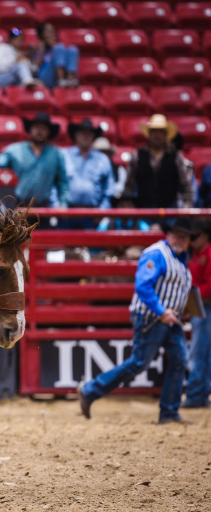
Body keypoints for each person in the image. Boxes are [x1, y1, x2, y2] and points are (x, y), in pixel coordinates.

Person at [79, 218, 195, 424]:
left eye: (184, 237)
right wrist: (161, 311)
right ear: (169, 235)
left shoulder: (180, 259)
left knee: (179, 360)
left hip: (170, 319)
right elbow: (143, 286)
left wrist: (180, 309)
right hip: (151, 317)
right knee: (139, 363)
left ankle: (169, 412)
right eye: (177, 234)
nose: (180, 239)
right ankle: (90, 390)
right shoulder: (157, 254)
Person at [0, 112, 69, 207]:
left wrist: (63, 205)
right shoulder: (14, 151)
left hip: (43, 208)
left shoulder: (56, 155)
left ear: (49, 132)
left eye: (43, 128)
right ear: (30, 129)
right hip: (18, 206)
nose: (39, 131)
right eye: (36, 127)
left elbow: (62, 183)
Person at [121, 114, 194, 209]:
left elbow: (186, 186)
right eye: (154, 131)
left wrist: (187, 206)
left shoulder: (176, 156)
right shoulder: (137, 155)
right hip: (144, 212)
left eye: (161, 132)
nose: (157, 135)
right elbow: (128, 186)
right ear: (149, 134)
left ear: (165, 135)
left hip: (169, 213)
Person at [183, 220, 211, 409]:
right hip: (201, 306)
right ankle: (200, 395)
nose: (192, 240)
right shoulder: (195, 254)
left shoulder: (207, 254)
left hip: (205, 307)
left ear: (206, 235)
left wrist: (189, 297)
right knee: (203, 352)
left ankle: (195, 395)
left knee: (198, 352)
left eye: (195, 236)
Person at [63, 119, 114, 209]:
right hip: (68, 211)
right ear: (76, 135)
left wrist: (102, 212)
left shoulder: (103, 159)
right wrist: (59, 207)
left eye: (89, 134)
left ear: (93, 136)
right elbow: (55, 184)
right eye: (82, 133)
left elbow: (109, 190)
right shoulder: (65, 156)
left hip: (93, 212)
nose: (86, 137)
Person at [32, 23, 79, 89]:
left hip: (56, 77)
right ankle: (61, 80)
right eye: (48, 31)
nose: (52, 33)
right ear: (42, 34)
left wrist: (54, 47)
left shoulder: (59, 49)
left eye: (53, 31)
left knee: (73, 49)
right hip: (44, 77)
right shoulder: (39, 48)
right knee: (59, 47)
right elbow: (34, 69)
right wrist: (41, 51)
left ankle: (70, 80)